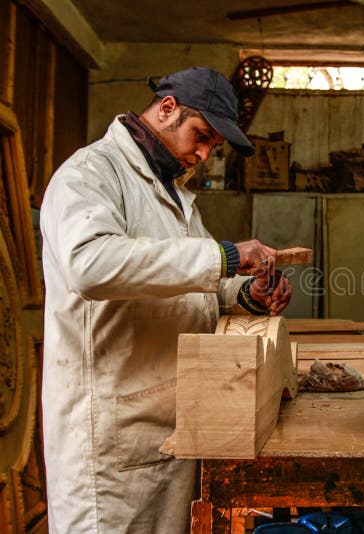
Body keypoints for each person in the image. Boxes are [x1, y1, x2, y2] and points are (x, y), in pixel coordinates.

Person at [40, 67, 292, 533]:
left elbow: (198, 281)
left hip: (170, 422)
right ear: (168, 108)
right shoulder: (90, 173)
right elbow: (90, 265)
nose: (202, 154)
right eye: (201, 136)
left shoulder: (172, 194)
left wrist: (249, 293)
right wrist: (226, 255)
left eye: (212, 147)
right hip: (113, 431)